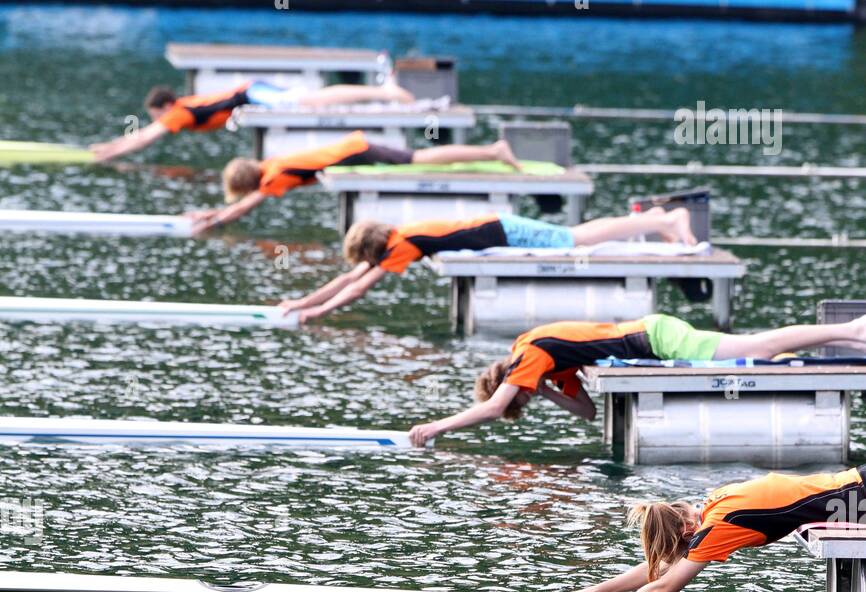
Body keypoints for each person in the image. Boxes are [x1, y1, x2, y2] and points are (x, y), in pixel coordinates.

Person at [407, 312, 866, 447]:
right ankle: (845, 338)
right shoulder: (547, 366)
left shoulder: (528, 356)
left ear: (509, 384)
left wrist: (436, 427)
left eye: (519, 401)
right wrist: (546, 390)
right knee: (756, 350)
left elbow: (490, 409)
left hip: (656, 339)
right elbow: (588, 413)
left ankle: (850, 331)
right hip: (653, 334)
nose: (522, 403)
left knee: (757, 348)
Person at [276, 205, 697, 324]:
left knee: (578, 238)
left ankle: (664, 219)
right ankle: (656, 218)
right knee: (579, 233)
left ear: (372, 248)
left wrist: (314, 311)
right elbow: (351, 278)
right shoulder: (399, 238)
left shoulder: (401, 246)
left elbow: (357, 286)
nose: (366, 264)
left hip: (505, 232)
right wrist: (303, 302)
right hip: (497, 226)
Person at [564, 465, 866, 592]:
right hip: (854, 488)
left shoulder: (717, 526)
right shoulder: (716, 500)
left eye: (677, 547)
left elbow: (661, 589)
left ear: (685, 531)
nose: (680, 556)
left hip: (858, 500)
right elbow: (659, 569)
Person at [188, 134, 524, 233]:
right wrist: (215, 212)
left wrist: (214, 220)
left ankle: (492, 151)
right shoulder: (270, 166)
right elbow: (246, 201)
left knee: (420, 158)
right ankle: (491, 150)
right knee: (419, 156)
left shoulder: (273, 176)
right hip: (354, 149)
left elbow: (247, 206)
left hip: (358, 152)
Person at [90, 78, 418, 163]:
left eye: (154, 115)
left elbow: (145, 138)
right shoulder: (180, 107)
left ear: (163, 107)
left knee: (314, 100)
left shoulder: (177, 114)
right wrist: (109, 145)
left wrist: (109, 153)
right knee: (314, 98)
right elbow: (142, 134)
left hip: (253, 95)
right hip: (254, 91)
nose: (155, 121)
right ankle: (382, 92)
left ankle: (384, 91)